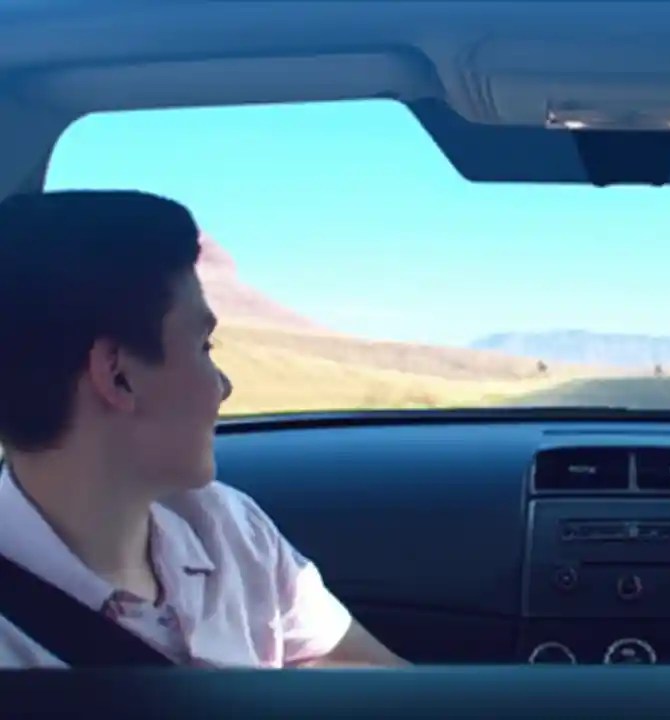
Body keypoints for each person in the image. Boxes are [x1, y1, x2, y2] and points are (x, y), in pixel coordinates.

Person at [0, 190, 408, 668]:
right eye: (205, 348)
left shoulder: (231, 528)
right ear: (118, 375)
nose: (224, 387)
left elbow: (370, 678)